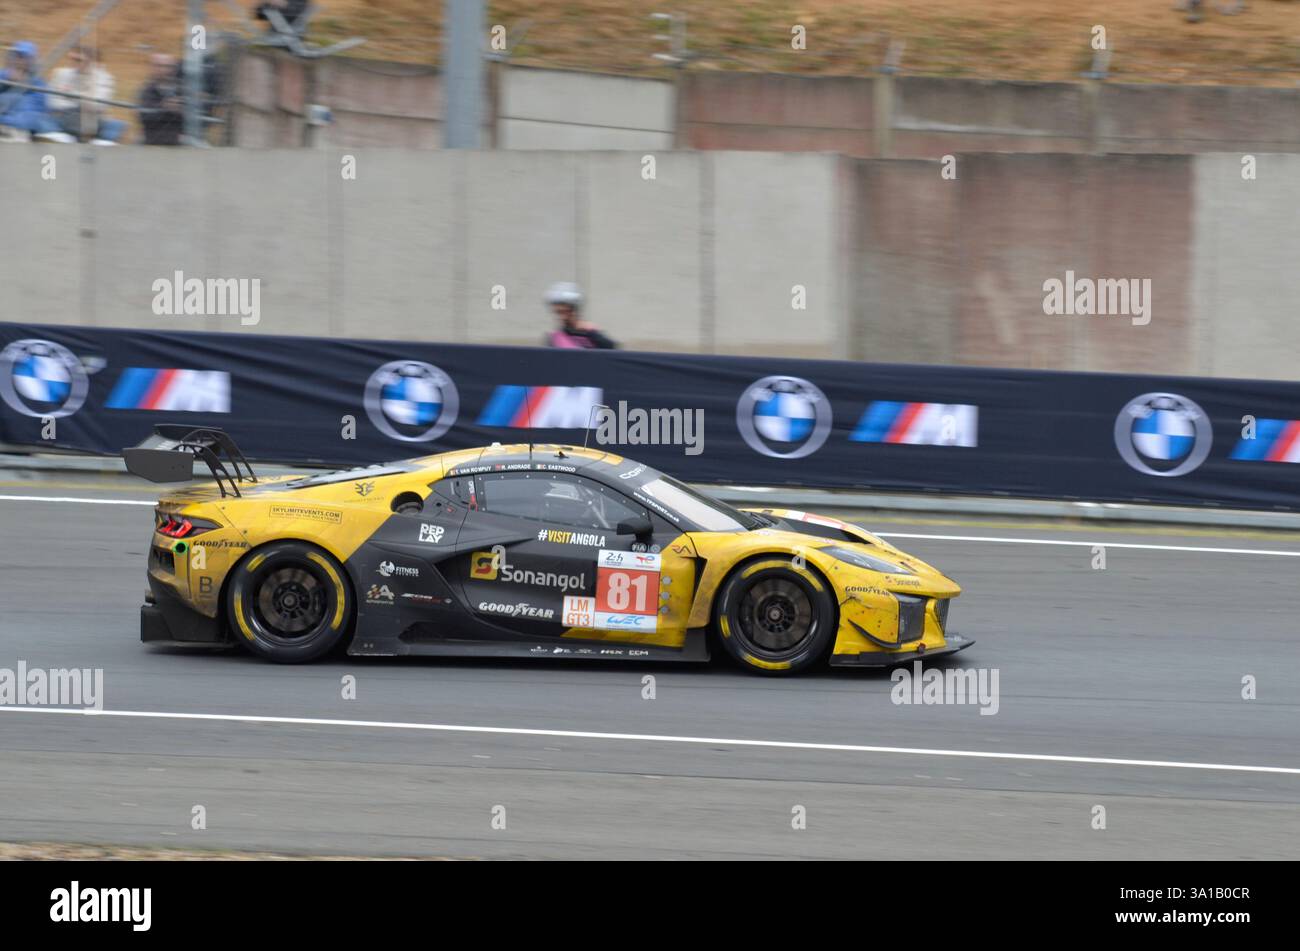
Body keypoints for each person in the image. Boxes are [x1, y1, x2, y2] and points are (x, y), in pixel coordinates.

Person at [48, 46, 126, 144]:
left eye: (78, 60)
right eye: (72, 59)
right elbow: (53, 102)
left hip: (93, 121)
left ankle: (95, 145)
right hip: (64, 118)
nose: (74, 63)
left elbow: (98, 105)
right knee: (41, 120)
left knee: (115, 126)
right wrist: (78, 104)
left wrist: (71, 95)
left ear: (91, 62)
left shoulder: (104, 78)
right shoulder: (61, 74)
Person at [0, 42, 72, 143]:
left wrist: (4, 120)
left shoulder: (38, 84)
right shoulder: (3, 76)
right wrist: (7, 81)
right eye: (16, 56)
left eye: (23, 57)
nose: (18, 60)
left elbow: (33, 115)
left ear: (31, 61)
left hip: (19, 128)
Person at [543, 282, 617, 349]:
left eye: (567, 311)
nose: (563, 317)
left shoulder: (590, 333)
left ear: (575, 310)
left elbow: (611, 348)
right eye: (559, 312)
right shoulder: (554, 338)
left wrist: (592, 333)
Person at [137, 53, 183, 145]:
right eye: (159, 66)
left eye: (168, 66)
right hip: (153, 138)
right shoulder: (147, 90)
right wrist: (165, 107)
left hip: (179, 137)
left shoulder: (181, 89)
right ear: (153, 68)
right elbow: (144, 117)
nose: (164, 70)